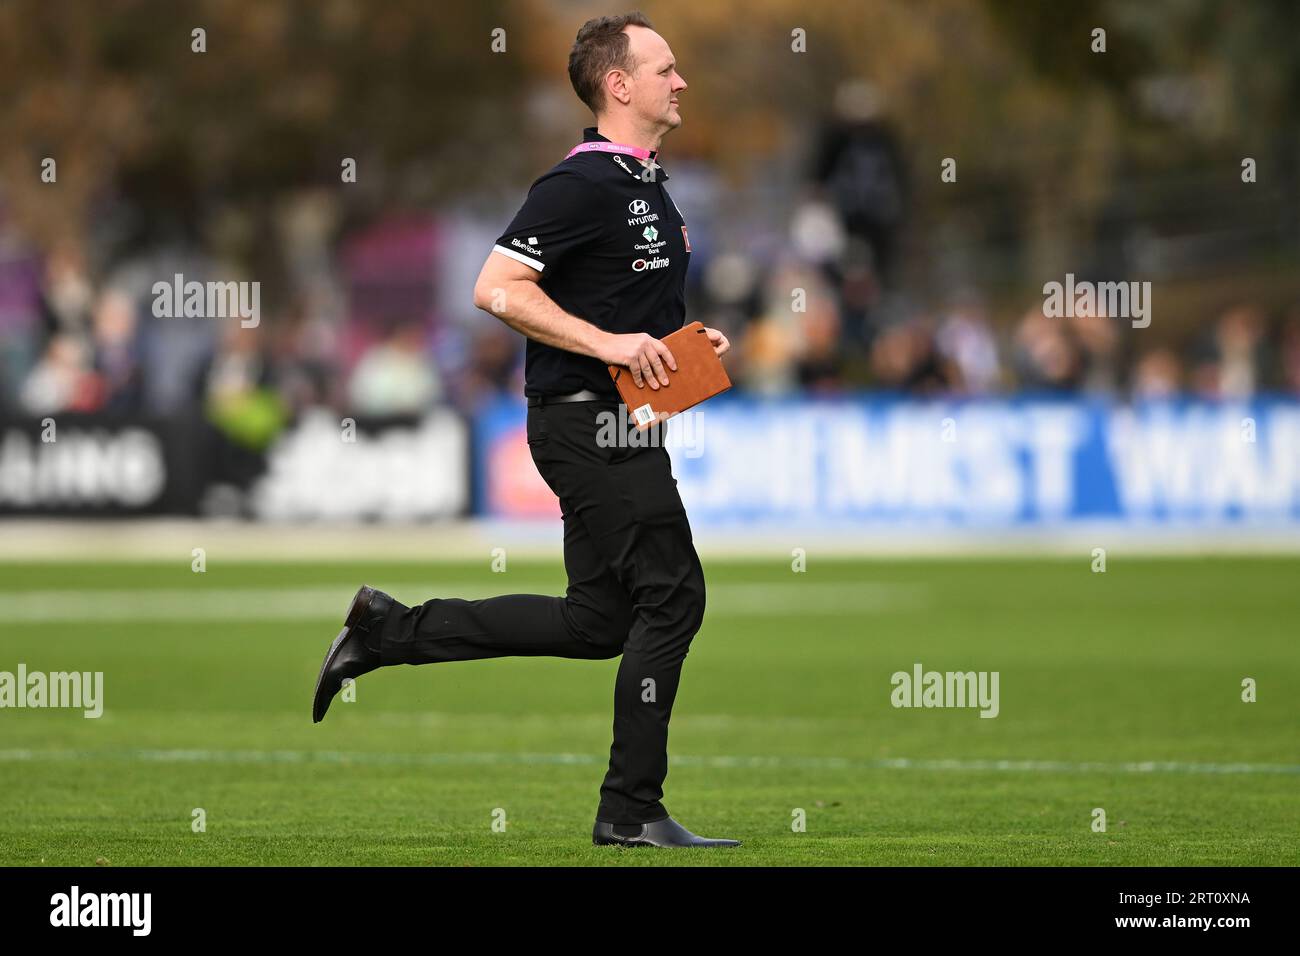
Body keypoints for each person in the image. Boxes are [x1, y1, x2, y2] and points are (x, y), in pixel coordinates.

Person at [311, 12, 739, 849]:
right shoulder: (578, 185)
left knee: (599, 624)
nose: (681, 81)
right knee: (675, 595)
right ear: (619, 85)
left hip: (621, 426)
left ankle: (386, 631)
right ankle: (630, 811)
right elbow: (497, 287)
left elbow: (621, 309)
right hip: (590, 429)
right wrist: (611, 344)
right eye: (665, 68)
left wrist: (687, 346)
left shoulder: (647, 182)